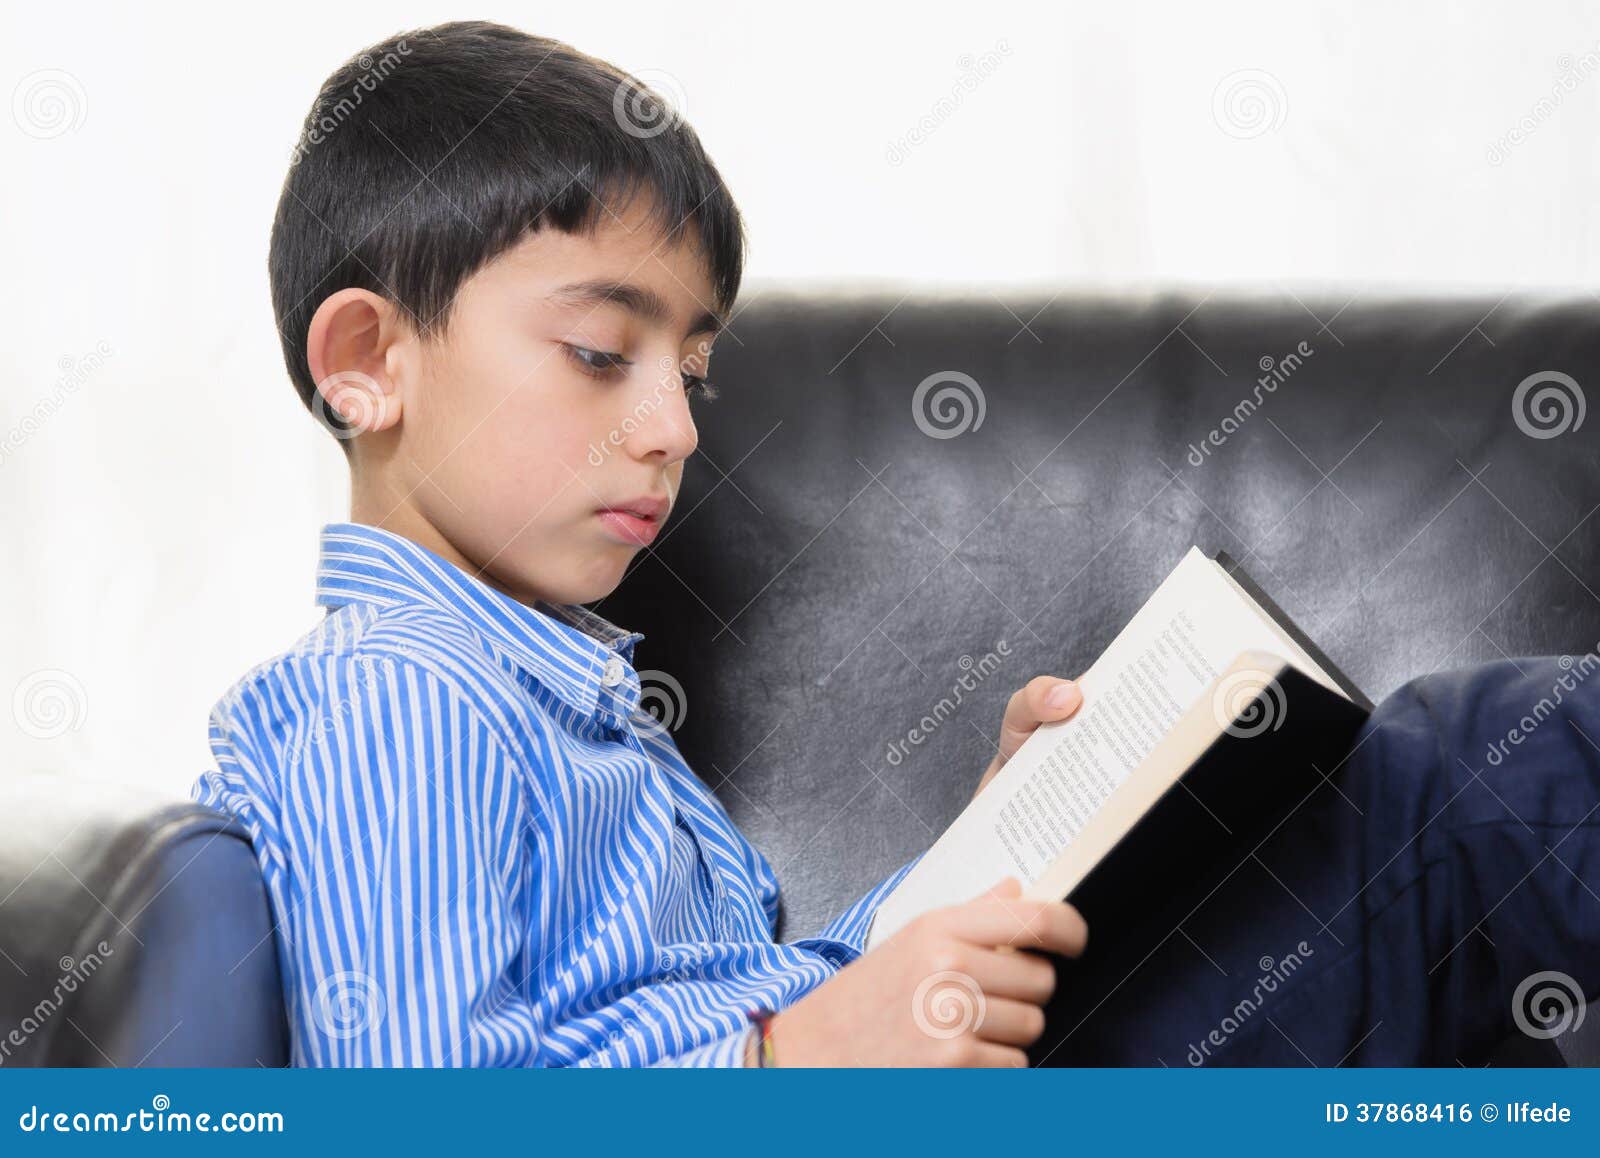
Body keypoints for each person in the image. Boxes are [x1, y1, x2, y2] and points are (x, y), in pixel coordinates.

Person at [195, 20, 1600, 1068]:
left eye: (689, 371)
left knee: (1428, 791)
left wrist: (983, 851)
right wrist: (791, 1063)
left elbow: (769, 984)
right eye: (598, 349)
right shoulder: (392, 697)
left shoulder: (546, 687)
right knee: (1458, 779)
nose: (674, 427)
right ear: (369, 359)